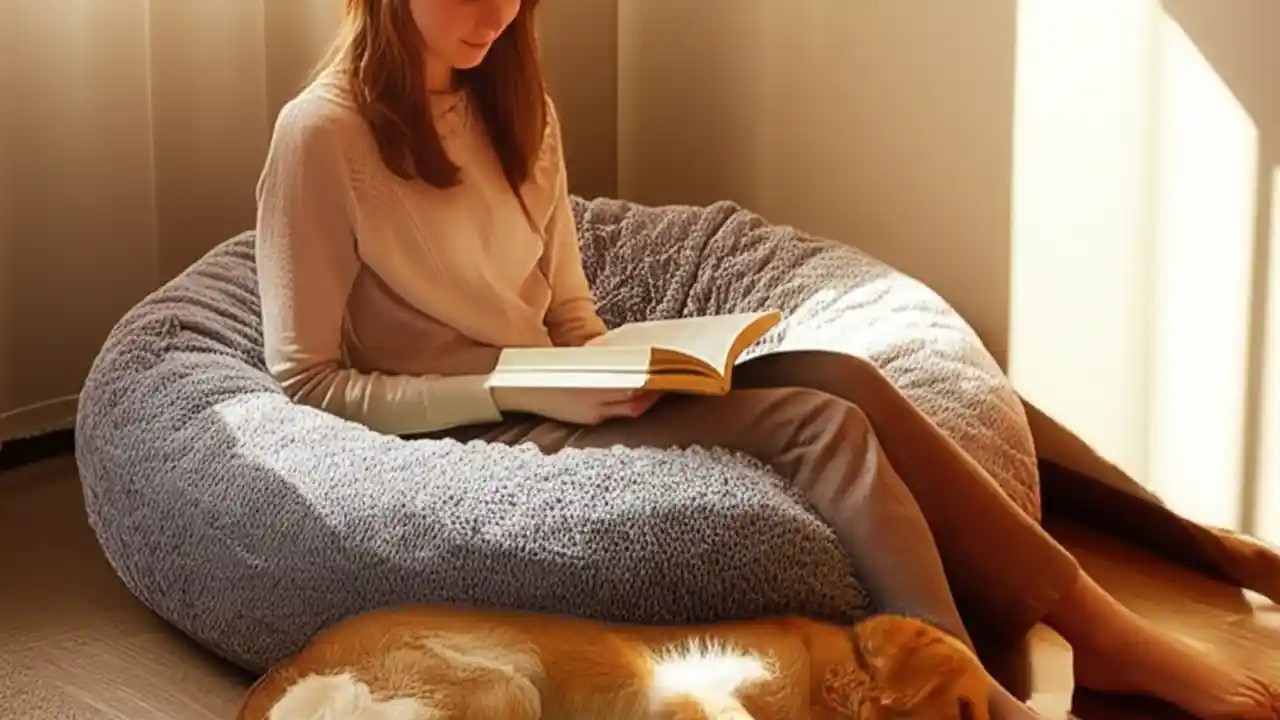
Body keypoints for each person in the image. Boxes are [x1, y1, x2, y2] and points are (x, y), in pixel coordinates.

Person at [253, 1, 1280, 718]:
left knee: (838, 371)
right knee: (818, 422)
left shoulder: (516, 105)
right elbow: (307, 383)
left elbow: (566, 308)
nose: (502, 14)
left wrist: (629, 364)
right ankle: (968, 678)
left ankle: (1079, 627)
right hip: (477, 429)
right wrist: (517, 383)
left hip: (567, 392)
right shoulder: (319, 139)